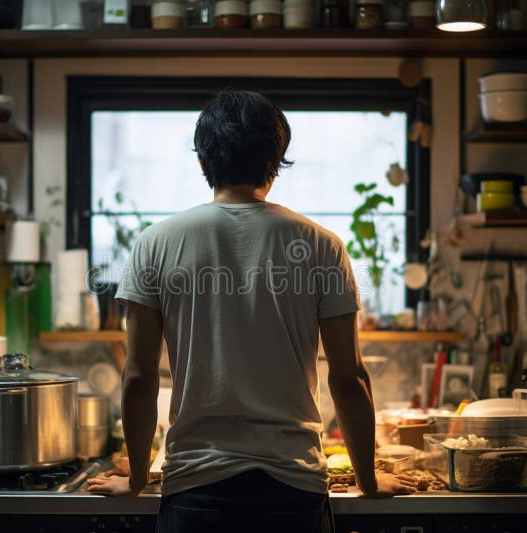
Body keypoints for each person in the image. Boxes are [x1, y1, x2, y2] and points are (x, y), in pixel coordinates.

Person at [91, 90, 417, 531]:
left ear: (203, 162)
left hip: (194, 487)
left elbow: (139, 376)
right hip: (293, 488)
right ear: (276, 160)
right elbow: (349, 377)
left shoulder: (156, 243)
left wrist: (134, 478)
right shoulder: (322, 246)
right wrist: (368, 480)